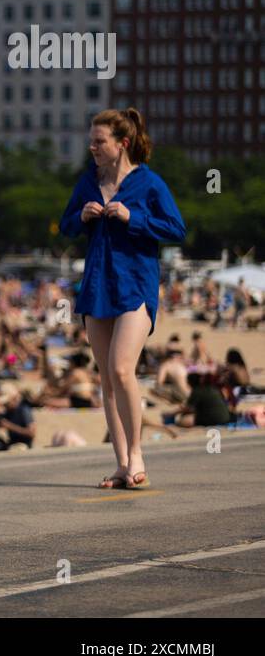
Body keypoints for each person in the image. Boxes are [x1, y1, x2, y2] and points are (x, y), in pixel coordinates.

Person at [60, 108, 185, 490]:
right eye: (92, 140)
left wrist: (134, 218)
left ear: (122, 144)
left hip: (136, 287)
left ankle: (137, 454)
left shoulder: (148, 183)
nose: (92, 147)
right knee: (107, 381)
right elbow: (65, 226)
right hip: (97, 287)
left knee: (120, 369)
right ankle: (120, 463)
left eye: (100, 141)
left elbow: (177, 228)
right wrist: (81, 216)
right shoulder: (88, 181)